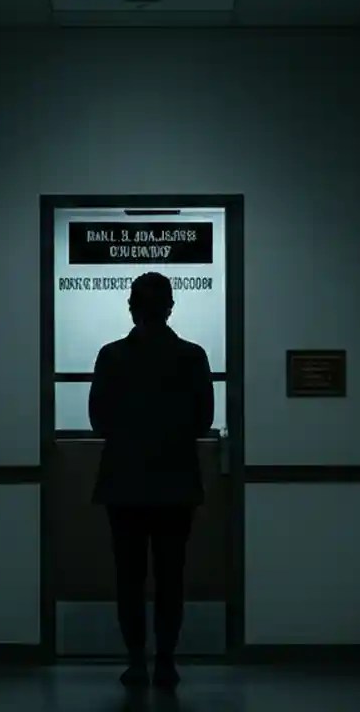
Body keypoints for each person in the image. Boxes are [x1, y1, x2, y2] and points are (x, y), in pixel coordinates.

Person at [88, 271, 215, 691]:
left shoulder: (111, 356)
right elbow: (203, 421)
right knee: (170, 577)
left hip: (123, 482)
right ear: (170, 308)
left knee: (129, 577)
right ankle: (165, 661)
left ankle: (135, 662)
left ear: (131, 307)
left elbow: (98, 421)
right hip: (176, 482)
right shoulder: (192, 357)